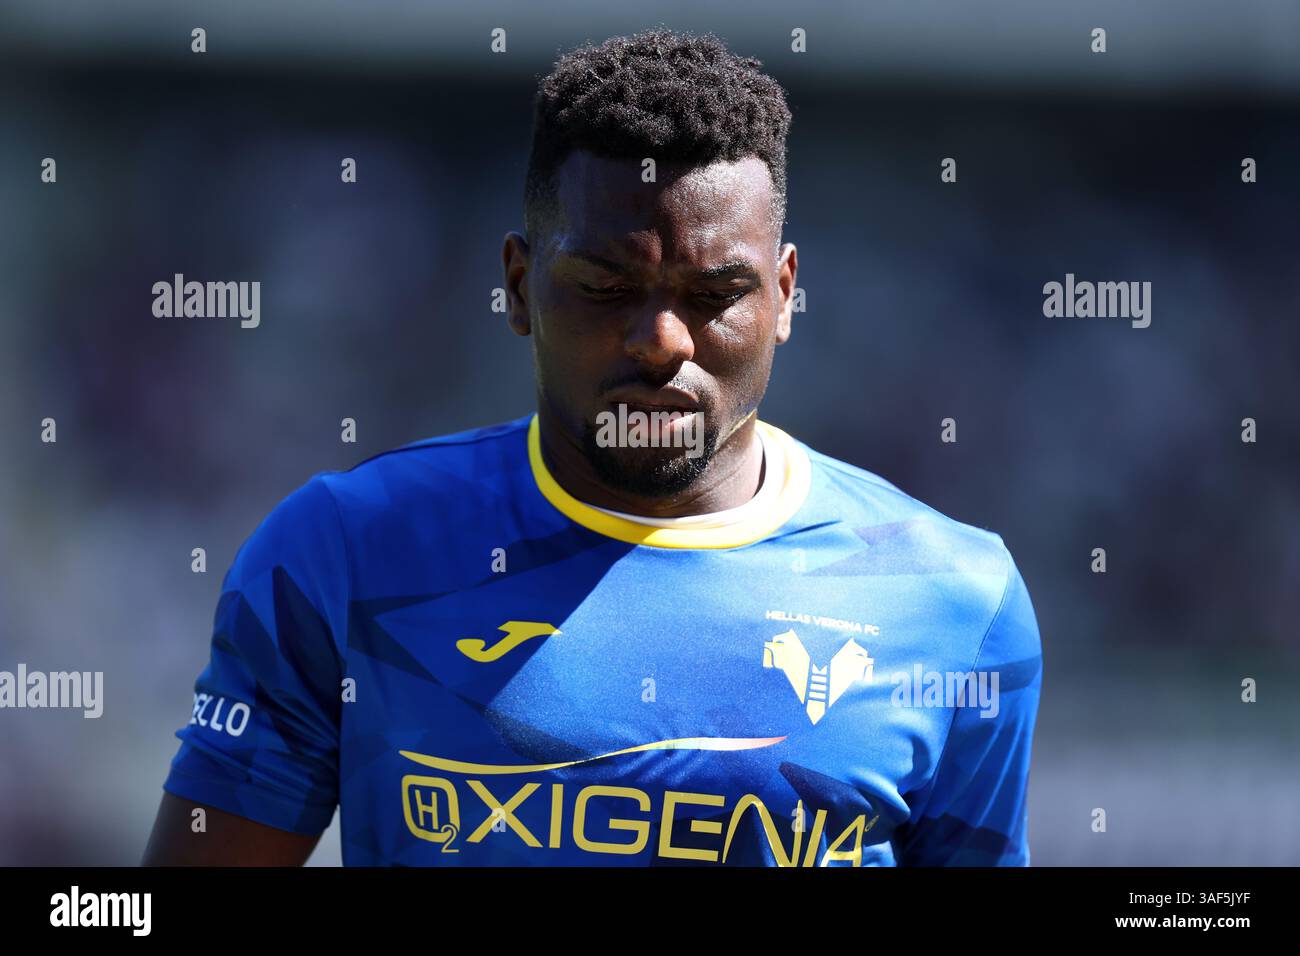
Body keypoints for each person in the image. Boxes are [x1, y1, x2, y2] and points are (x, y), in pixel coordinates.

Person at [143, 28, 1041, 867]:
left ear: (785, 295)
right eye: (608, 287)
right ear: (521, 286)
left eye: (715, 292)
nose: (662, 341)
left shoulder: (958, 603)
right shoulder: (341, 553)